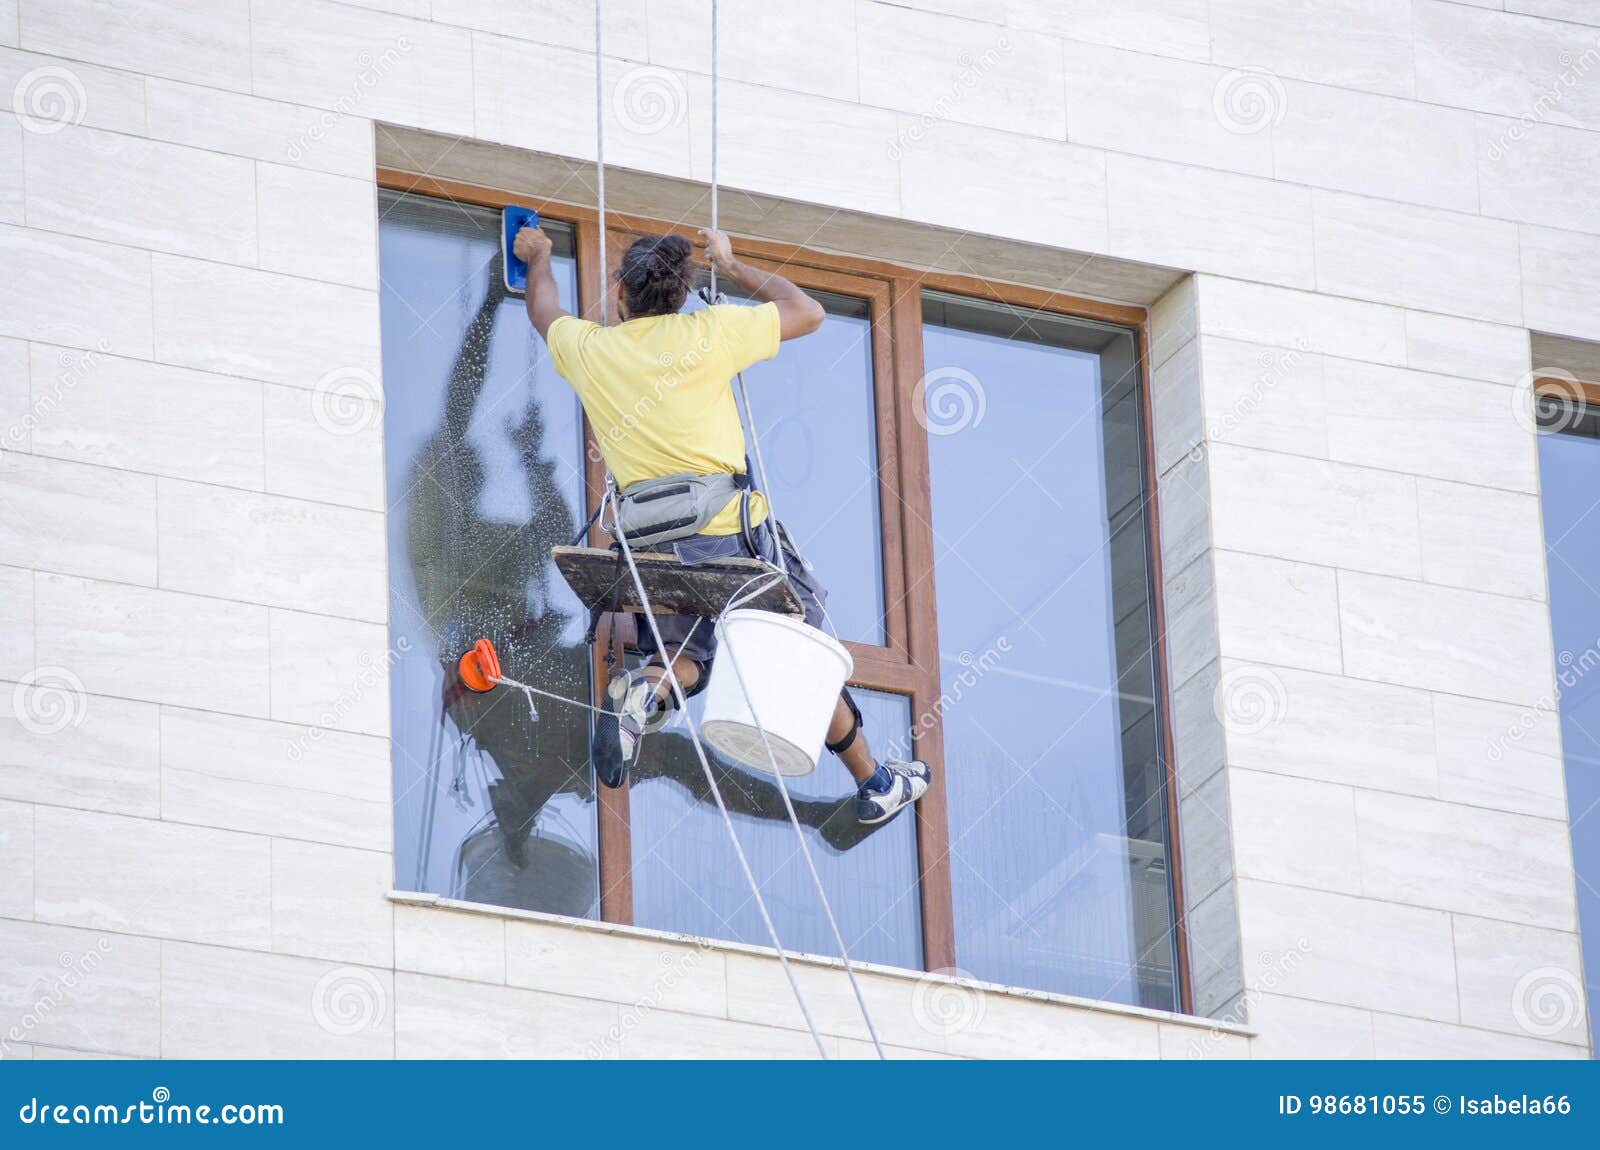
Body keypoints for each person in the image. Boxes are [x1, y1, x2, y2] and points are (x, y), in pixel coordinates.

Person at [512, 222, 931, 826]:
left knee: (690, 657)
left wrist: (540, 257)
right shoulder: (706, 333)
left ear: (621, 295)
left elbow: (544, 310)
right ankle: (876, 781)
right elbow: (806, 312)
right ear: (681, 294)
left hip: (647, 546)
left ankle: (644, 696)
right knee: (798, 649)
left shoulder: (592, 349)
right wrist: (733, 265)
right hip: (727, 536)